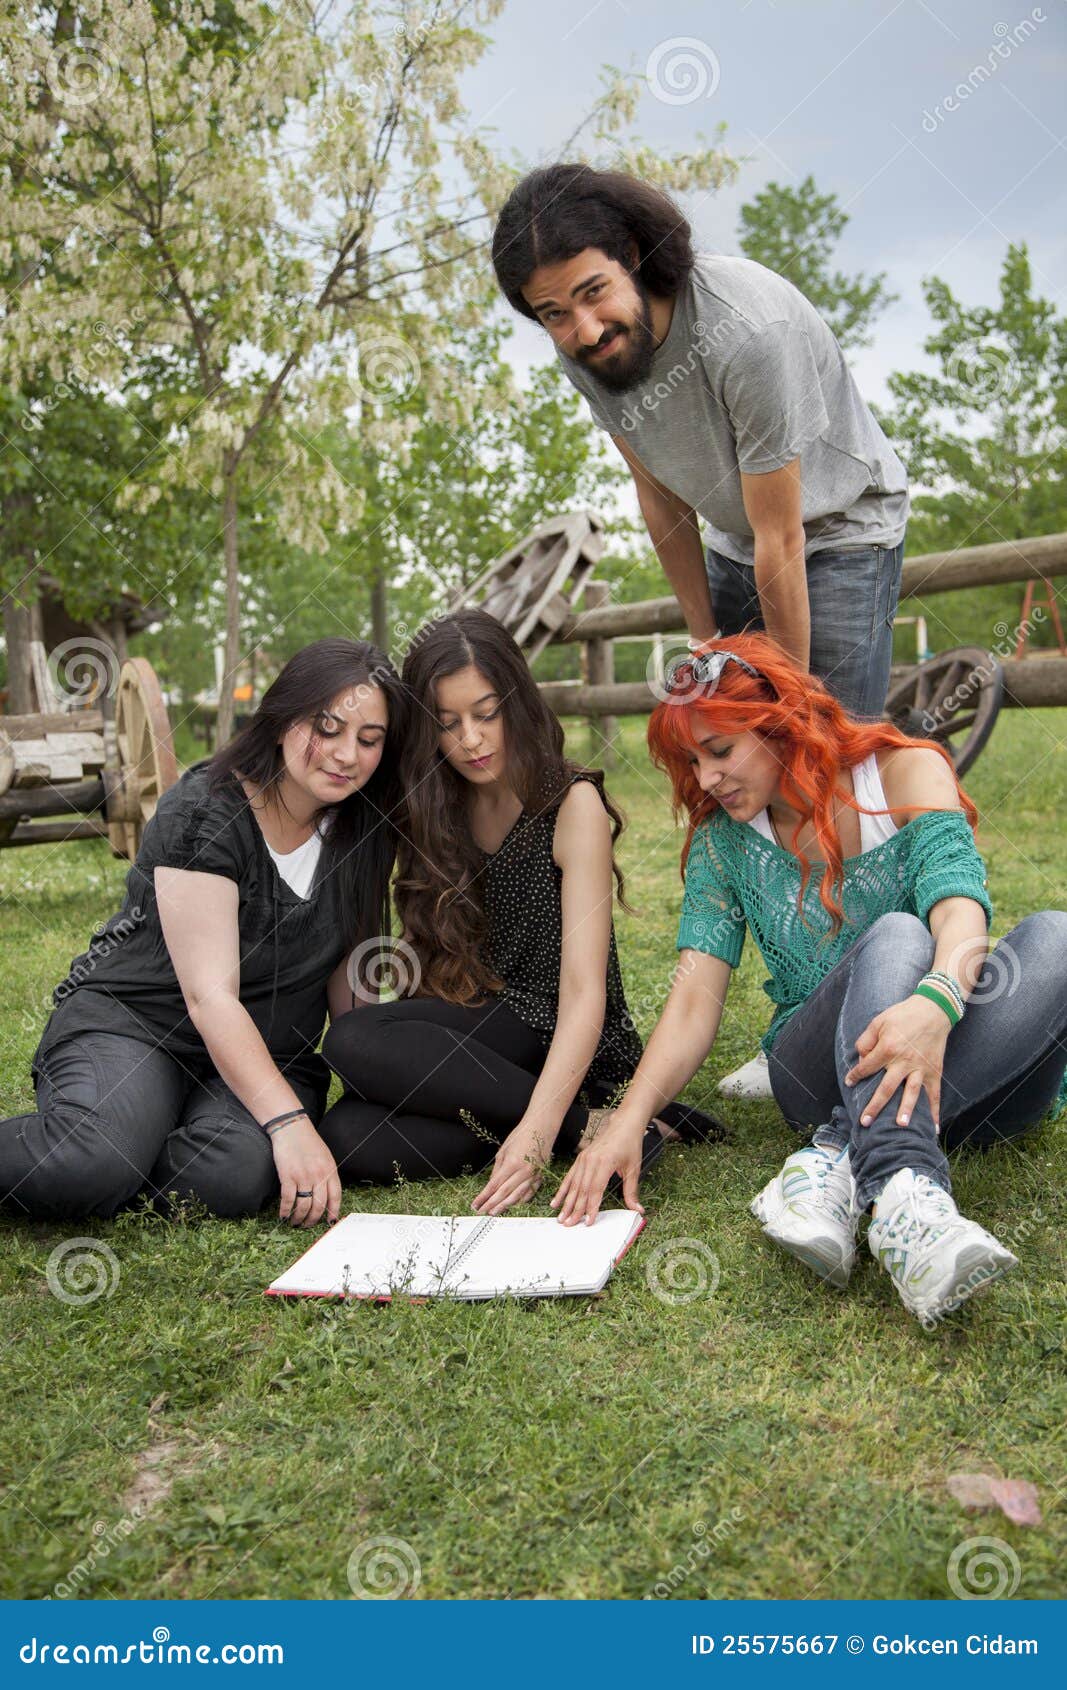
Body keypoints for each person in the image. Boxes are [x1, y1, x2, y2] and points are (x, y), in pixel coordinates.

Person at [493, 162, 911, 1101]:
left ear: (636, 256)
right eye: (551, 312)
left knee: (824, 770)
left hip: (834, 530)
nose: (582, 330)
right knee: (743, 780)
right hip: (727, 531)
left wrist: (784, 705)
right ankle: (800, 1019)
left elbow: (785, 535)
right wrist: (705, 654)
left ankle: (870, 1014)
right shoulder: (587, 353)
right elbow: (656, 495)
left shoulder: (745, 331)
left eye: (593, 293)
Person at [550, 634, 1067, 1329]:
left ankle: (833, 1158)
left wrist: (936, 1006)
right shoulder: (722, 843)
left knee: (1056, 937)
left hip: (961, 1081)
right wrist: (629, 1117)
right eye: (692, 761)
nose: (704, 779)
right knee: (897, 933)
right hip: (817, 1068)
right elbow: (693, 1001)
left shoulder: (906, 772)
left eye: (720, 751)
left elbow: (959, 906)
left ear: (780, 724)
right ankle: (901, 1196)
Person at [319, 609, 724, 1211]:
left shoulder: (570, 804)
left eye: (486, 714)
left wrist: (533, 1130)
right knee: (346, 1137)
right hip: (480, 1036)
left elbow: (584, 995)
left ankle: (556, 1117)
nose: (471, 740)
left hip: (559, 1031)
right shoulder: (432, 804)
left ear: (517, 703)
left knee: (354, 1039)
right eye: (447, 723)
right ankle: (584, 1126)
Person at [0, 639, 404, 1228]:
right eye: (327, 728)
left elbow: (347, 987)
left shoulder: (366, 830)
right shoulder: (206, 810)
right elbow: (208, 995)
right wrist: (290, 1124)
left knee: (227, 1177)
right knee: (88, 1160)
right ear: (283, 717)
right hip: (140, 1029)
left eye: (368, 741)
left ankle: (138, 1139)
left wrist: (377, 1069)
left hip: (269, 1053)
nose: (346, 755)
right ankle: (117, 1141)